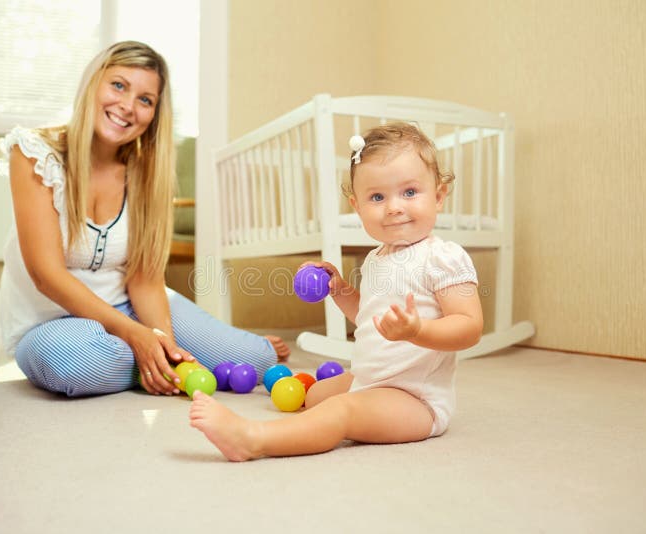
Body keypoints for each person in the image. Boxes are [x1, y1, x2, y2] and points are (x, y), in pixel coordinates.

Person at [0, 41, 288, 398]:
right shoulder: (33, 152)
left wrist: (162, 339)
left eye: (145, 100)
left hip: (128, 307)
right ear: (94, 83)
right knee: (80, 364)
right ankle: (149, 363)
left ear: (154, 114)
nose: (127, 106)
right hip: (52, 322)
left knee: (254, 360)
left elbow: (146, 279)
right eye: (118, 85)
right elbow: (46, 275)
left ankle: (156, 361)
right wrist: (139, 338)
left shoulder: (147, 172)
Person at [189, 122, 484, 461]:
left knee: (341, 411)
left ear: (439, 195)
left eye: (409, 192)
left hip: (415, 398)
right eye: (377, 197)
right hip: (371, 379)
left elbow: (469, 326)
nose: (394, 207)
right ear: (357, 207)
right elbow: (369, 318)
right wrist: (340, 290)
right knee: (315, 397)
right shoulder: (376, 259)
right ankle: (317, 421)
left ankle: (253, 438)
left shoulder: (442, 257)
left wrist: (418, 330)